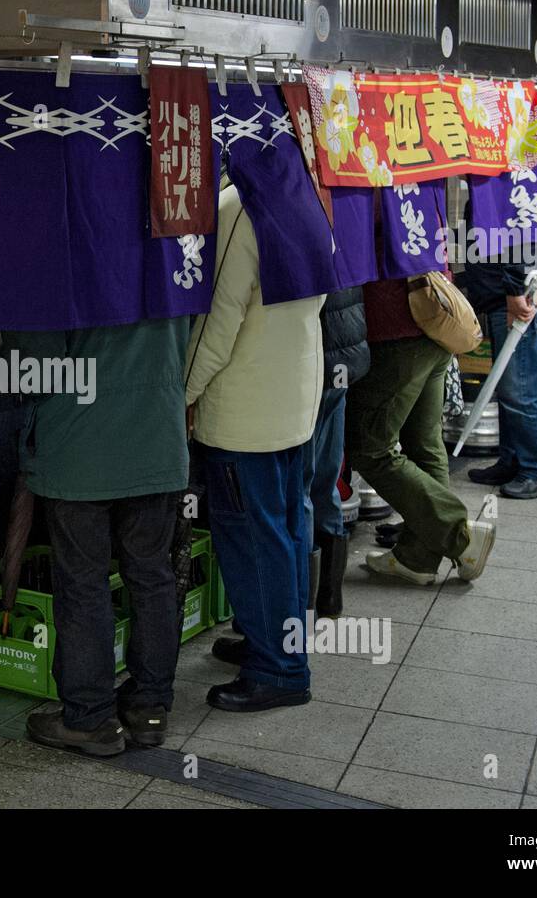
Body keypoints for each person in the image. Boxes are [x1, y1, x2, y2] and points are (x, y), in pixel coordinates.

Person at [2, 316, 190, 756]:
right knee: (152, 576)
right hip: (158, 439)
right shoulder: (168, 251)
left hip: (80, 444)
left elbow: (40, 362)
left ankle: (89, 718)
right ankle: (150, 710)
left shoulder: (59, 259)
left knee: (83, 583)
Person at [186, 182, 322, 712]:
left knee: (253, 537)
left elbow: (217, 325)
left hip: (246, 407)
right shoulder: (309, 193)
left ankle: (279, 669)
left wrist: (182, 394)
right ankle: (277, 641)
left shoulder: (238, 206)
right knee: (286, 529)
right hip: (293, 396)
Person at [347, 272, 496, 586]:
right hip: (435, 323)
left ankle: (459, 535)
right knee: (424, 445)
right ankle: (417, 558)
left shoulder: (374, 218)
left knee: (370, 448)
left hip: (396, 332)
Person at [464, 241, 537, 498]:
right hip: (507, 295)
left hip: (519, 297)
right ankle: (513, 461)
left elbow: (521, 236)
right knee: (510, 390)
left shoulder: (509, 199)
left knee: (520, 391)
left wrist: (514, 290)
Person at [305, 285, 369, 617]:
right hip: (344, 350)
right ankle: (329, 597)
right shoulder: (344, 229)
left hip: (315, 355)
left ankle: (299, 602)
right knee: (326, 478)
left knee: (299, 486)